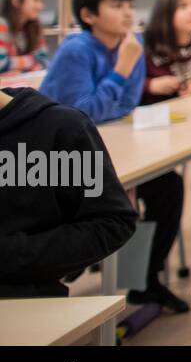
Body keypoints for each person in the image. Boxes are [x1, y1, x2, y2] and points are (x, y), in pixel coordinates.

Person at [40, 0, 188, 314]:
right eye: (116, 6)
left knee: (168, 186)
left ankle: (143, 280)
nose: (127, 13)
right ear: (89, 15)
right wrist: (122, 68)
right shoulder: (76, 51)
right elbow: (83, 114)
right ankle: (83, 280)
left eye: (130, 6)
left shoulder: (131, 43)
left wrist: (121, 75)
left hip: (109, 143)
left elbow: (123, 106)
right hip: (60, 157)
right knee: (117, 202)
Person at [0, 85, 137, 299]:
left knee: (167, 189)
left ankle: (143, 285)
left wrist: (14, 254)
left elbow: (112, 222)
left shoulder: (61, 127)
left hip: (23, 295)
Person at [1, 0, 50, 73]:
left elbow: (43, 59)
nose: (41, 6)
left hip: (21, 82)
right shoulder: (2, 25)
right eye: (35, 0)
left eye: (40, 1)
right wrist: (32, 60)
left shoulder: (35, 26)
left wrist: (17, 65)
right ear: (16, 1)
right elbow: (1, 63)